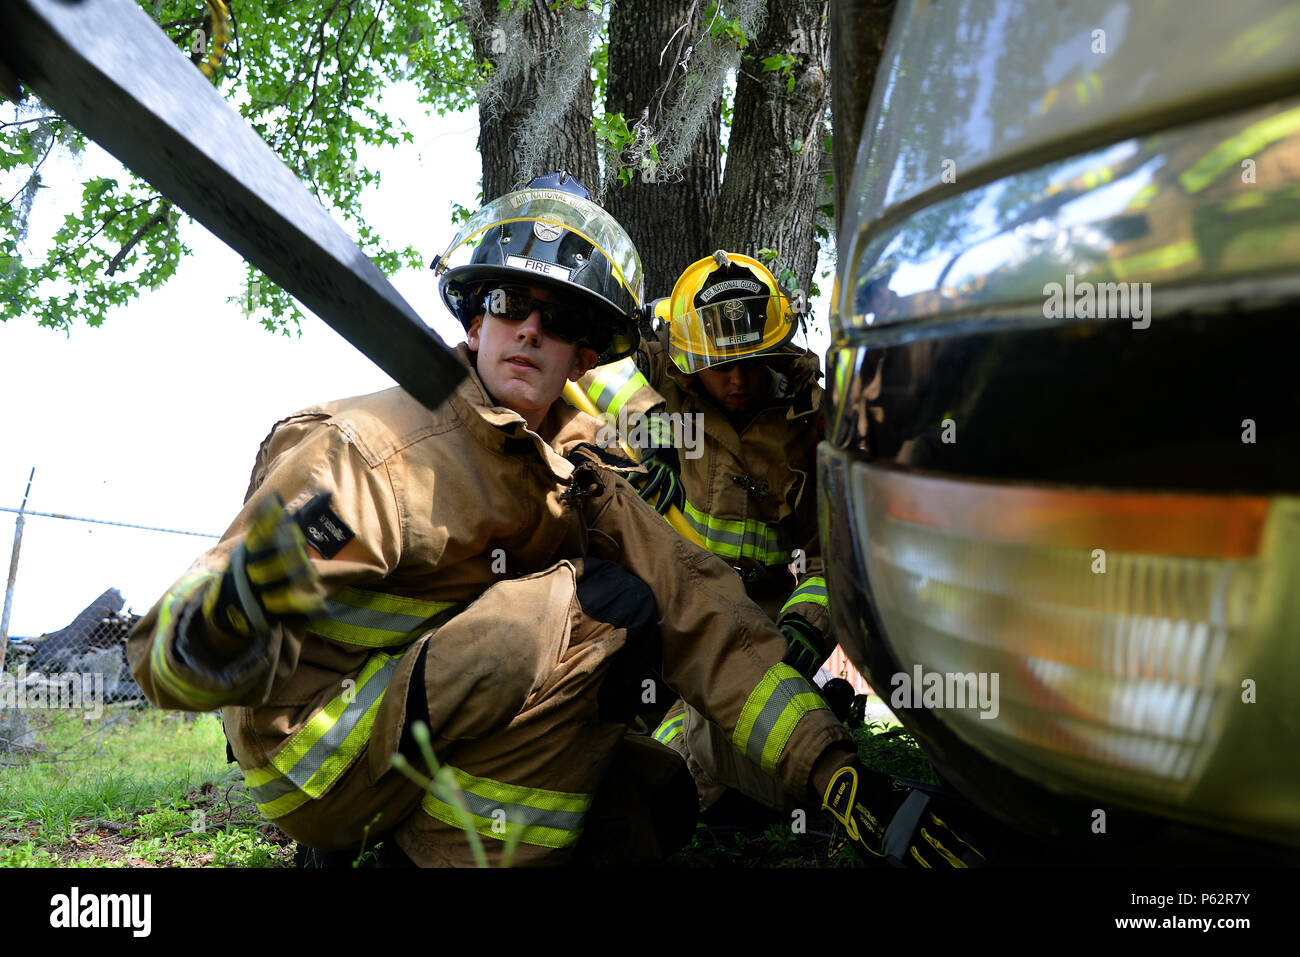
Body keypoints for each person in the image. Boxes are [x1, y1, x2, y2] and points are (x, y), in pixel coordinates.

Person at [126, 173, 969, 867]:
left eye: (560, 318)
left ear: (587, 353)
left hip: (424, 734)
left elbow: (708, 620)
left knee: (656, 790)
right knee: (602, 604)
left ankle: (427, 846)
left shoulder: (584, 473)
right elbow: (168, 660)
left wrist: (836, 775)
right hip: (319, 756)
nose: (530, 328)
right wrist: (216, 631)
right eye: (507, 301)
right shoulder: (375, 449)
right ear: (474, 315)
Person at [578, 250, 836, 815]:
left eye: (753, 361)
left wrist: (806, 627)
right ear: (691, 357)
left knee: (715, 735)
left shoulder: (809, 420)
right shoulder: (654, 375)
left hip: (751, 620)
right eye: (721, 368)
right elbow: (583, 364)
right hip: (653, 602)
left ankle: (644, 814)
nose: (739, 381)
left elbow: (835, 558)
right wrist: (641, 435)